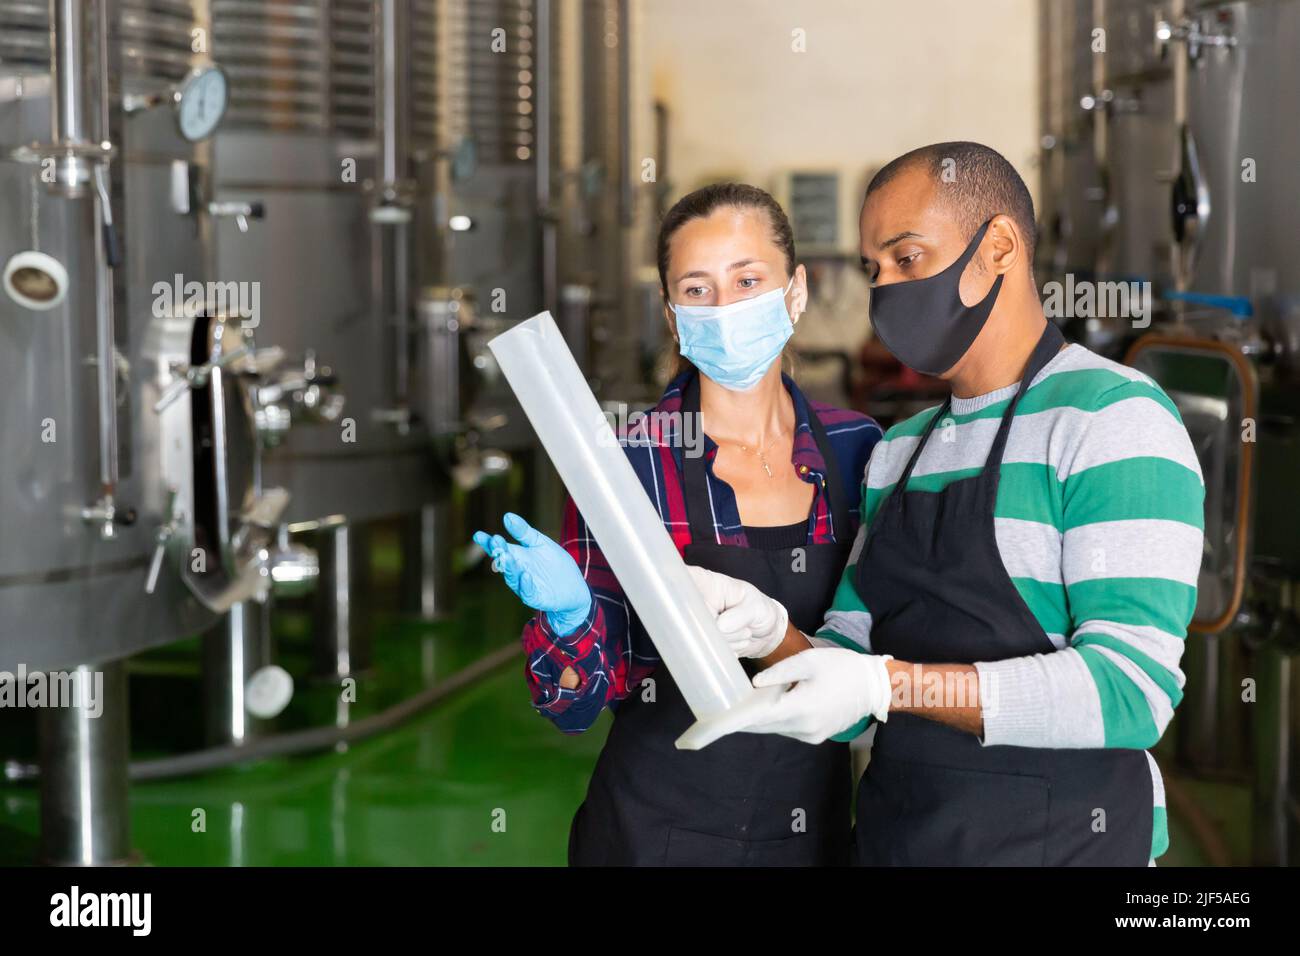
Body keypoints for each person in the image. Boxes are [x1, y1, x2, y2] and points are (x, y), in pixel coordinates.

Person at [714, 143, 1205, 866]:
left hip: (1063, 846)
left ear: (997, 247)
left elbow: (1131, 693)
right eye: (872, 270)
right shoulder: (901, 451)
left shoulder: (1112, 421)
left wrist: (891, 683)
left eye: (907, 258)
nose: (886, 292)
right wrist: (768, 636)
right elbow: (850, 678)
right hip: (899, 841)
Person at [473, 182, 882, 865]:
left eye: (748, 279)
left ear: (796, 291)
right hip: (653, 834)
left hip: (811, 835)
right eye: (697, 290)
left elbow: (880, 663)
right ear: (672, 316)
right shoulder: (627, 461)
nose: (724, 308)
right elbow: (573, 708)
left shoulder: (860, 450)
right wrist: (572, 621)